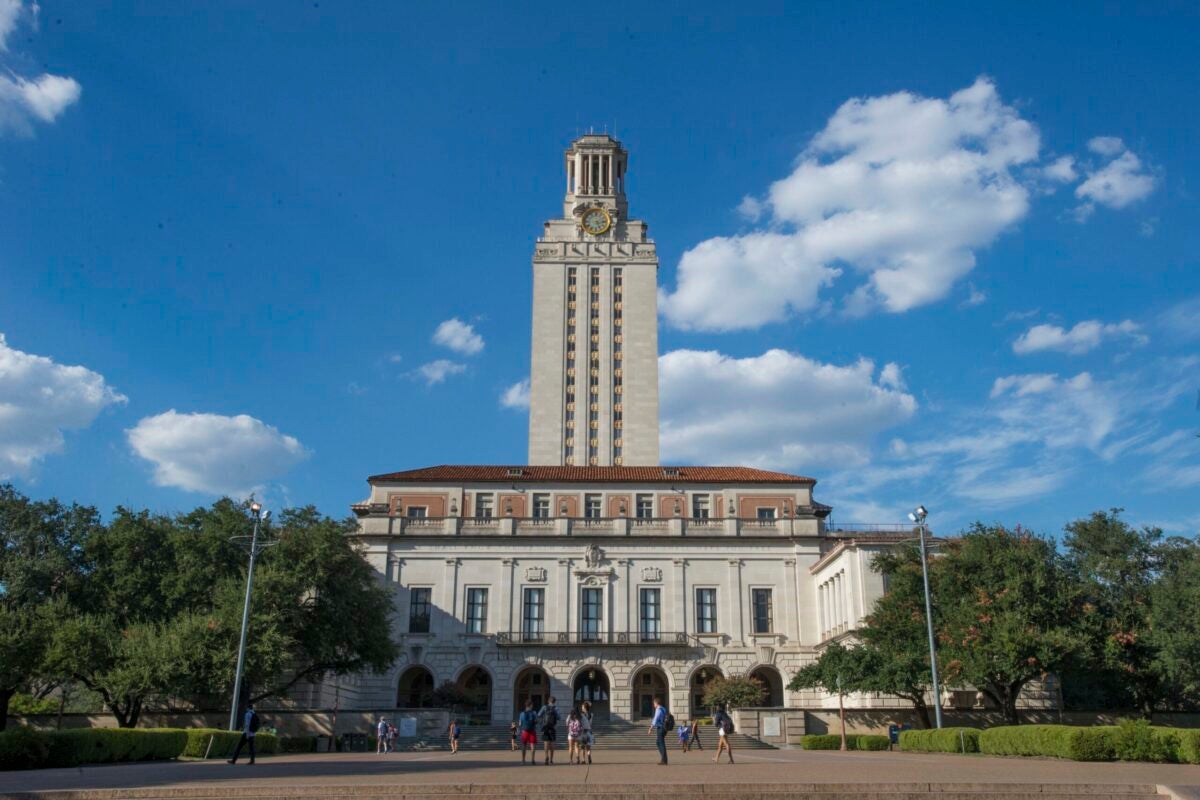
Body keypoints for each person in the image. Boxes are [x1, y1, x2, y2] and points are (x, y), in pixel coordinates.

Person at [538, 696, 560, 765]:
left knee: (546, 743)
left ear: (548, 701)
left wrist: (541, 722)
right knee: (552, 743)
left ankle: (546, 756)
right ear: (554, 701)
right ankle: (551, 759)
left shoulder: (544, 707)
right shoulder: (556, 708)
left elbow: (539, 715)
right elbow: (559, 717)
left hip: (545, 727)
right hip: (553, 727)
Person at [647, 696, 669, 765]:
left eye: (654, 703)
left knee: (661, 743)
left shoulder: (658, 709)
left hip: (661, 728)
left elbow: (655, 719)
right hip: (665, 728)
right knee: (658, 742)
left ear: (656, 703)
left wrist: (650, 728)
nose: (653, 705)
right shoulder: (664, 709)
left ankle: (664, 760)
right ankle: (664, 758)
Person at [518, 700, 539, 764]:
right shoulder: (534, 713)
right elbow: (536, 721)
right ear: (530, 705)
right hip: (532, 731)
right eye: (532, 705)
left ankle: (523, 760)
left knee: (524, 745)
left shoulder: (522, 713)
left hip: (525, 731)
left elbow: (520, 723)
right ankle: (532, 760)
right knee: (532, 745)